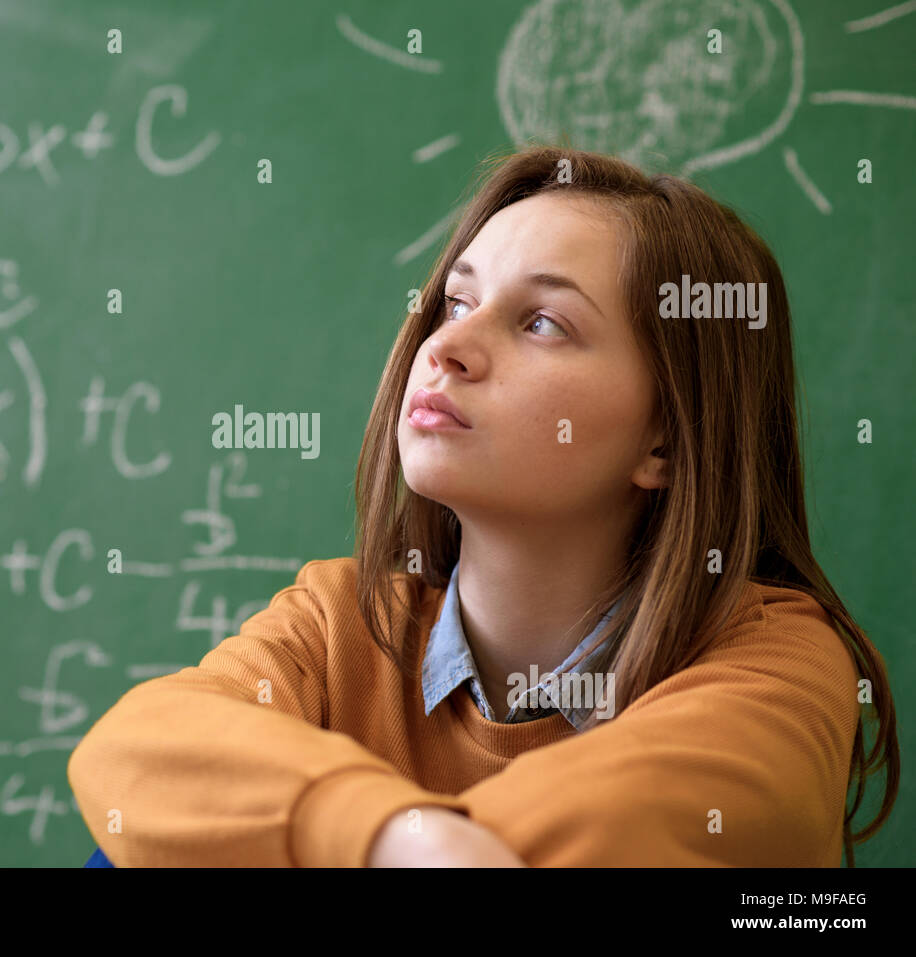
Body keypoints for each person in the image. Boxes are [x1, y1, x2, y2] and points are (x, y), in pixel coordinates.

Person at [69, 145, 899, 867]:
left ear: (668, 445)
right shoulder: (342, 621)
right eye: (458, 302)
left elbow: (602, 833)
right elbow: (136, 753)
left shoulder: (778, 663)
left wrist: (339, 836)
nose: (447, 346)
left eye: (543, 323)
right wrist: (388, 837)